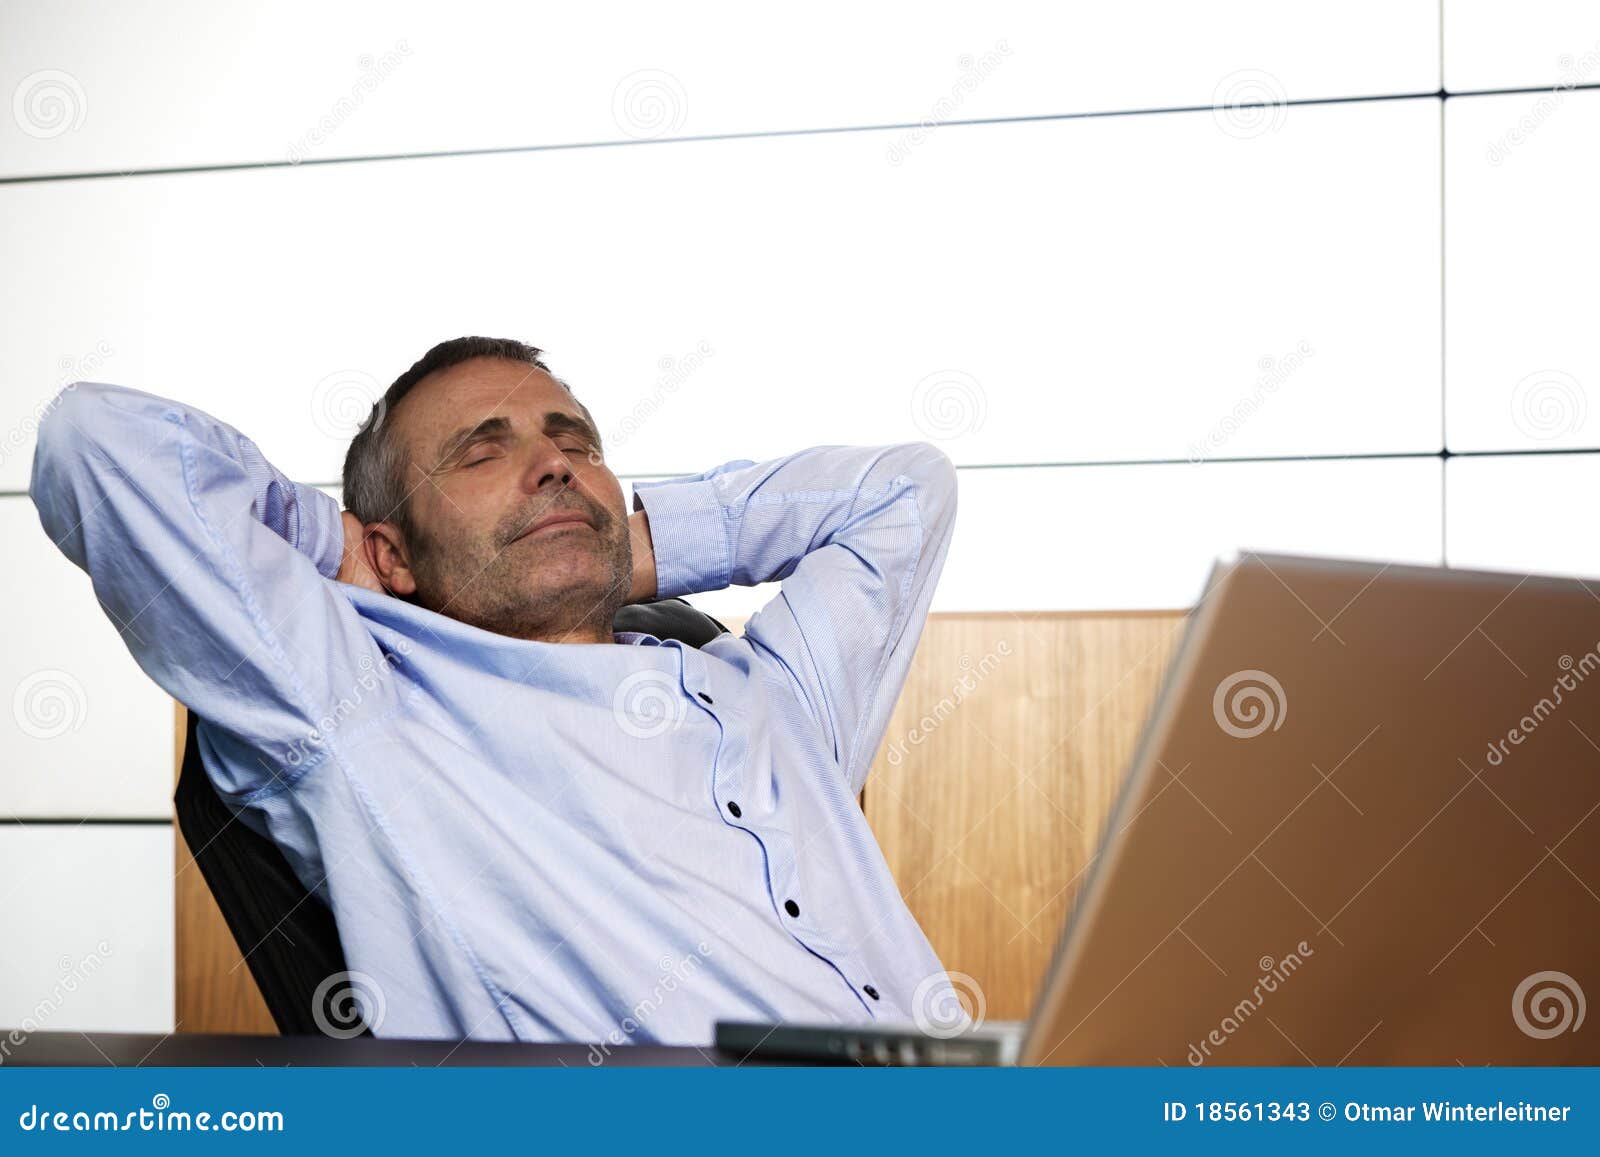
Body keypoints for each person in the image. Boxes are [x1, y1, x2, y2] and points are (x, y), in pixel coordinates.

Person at [29, 335, 961, 1044]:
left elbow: (906, 491)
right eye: (481, 454)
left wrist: (635, 545)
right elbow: (94, 444)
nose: (555, 465)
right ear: (392, 554)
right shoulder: (361, 706)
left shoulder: (777, 693)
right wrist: (335, 545)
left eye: (575, 443)